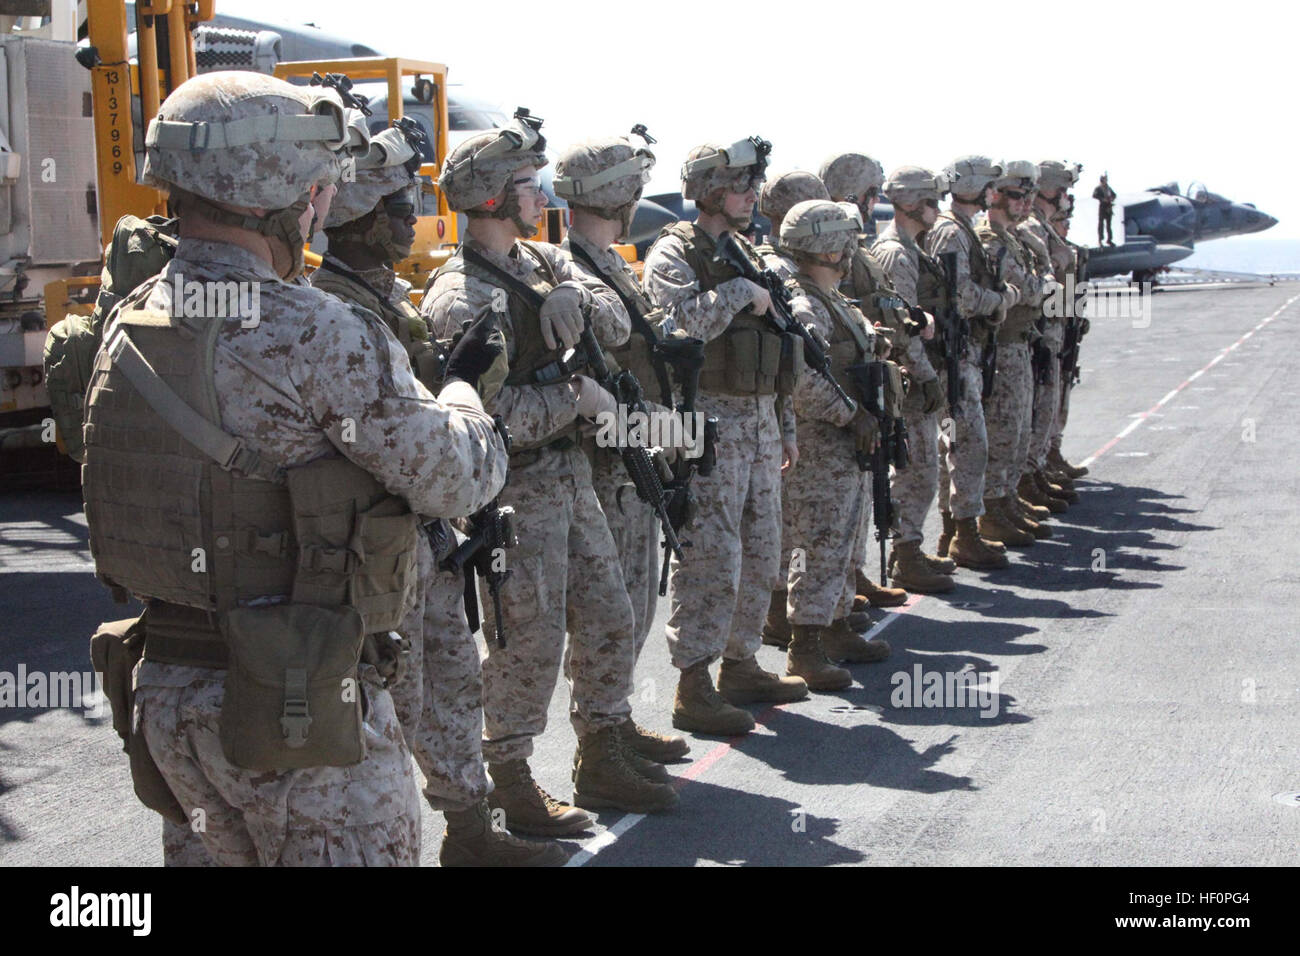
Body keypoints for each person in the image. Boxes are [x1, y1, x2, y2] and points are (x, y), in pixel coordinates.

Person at [83, 71, 510, 866]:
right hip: (294, 704)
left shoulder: (126, 323)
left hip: (168, 690)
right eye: (319, 188)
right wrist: (462, 394)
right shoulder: (317, 330)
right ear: (291, 192)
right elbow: (459, 478)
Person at [310, 122, 560, 866]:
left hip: (427, 537)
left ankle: (471, 831)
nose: (408, 223)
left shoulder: (385, 294)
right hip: (379, 541)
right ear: (353, 218)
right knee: (398, 705)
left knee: (452, 684)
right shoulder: (334, 306)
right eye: (394, 210)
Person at [422, 112, 679, 830]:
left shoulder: (539, 263)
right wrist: (576, 397)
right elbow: (486, 414)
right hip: (516, 489)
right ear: (490, 198)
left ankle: (603, 745)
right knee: (525, 641)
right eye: (526, 187)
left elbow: (620, 324)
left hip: (568, 479)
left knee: (609, 612)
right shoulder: (462, 297)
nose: (540, 198)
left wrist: (575, 293)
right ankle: (509, 775)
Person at [644, 137, 809, 737]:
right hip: (709, 423)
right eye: (740, 186)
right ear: (710, 191)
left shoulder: (744, 249)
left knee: (762, 549)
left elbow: (782, 343)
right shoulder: (675, 251)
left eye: (753, 186)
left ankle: (740, 663)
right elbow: (675, 324)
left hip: (759, 422)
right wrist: (741, 292)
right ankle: (693, 683)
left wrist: (784, 424)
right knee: (711, 554)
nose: (751, 196)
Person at [551, 130, 692, 766]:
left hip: (630, 454)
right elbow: (583, 386)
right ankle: (598, 745)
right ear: (622, 197)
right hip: (605, 461)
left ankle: (615, 722)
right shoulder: (574, 271)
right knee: (607, 615)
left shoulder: (607, 263)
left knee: (634, 600)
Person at [779, 199, 892, 686]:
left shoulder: (832, 298)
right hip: (821, 447)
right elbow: (802, 383)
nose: (852, 249)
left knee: (844, 540)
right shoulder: (805, 303)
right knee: (817, 545)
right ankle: (805, 647)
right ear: (825, 246)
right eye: (844, 241)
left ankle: (838, 625)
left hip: (845, 448)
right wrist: (852, 416)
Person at [818, 152, 910, 609]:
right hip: (841, 389)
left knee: (857, 495)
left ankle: (852, 577)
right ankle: (836, 594)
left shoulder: (856, 248)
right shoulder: (827, 250)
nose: (875, 204)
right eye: (870, 195)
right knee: (829, 513)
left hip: (864, 382)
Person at [927, 155, 1021, 567]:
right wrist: (1001, 301)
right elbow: (962, 297)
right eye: (988, 185)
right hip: (954, 355)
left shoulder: (959, 230)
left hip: (964, 352)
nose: (992, 193)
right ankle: (964, 533)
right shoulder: (952, 233)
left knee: (960, 445)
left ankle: (956, 531)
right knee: (969, 446)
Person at [871, 167, 955, 593]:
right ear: (910, 204)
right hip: (909, 379)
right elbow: (900, 327)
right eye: (931, 202)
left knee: (923, 467)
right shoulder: (896, 255)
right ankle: (904, 555)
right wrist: (926, 378)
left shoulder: (911, 249)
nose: (937, 210)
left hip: (917, 375)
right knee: (915, 468)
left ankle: (911, 549)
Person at [976, 161, 1054, 547]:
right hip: (1002, 348)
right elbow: (1029, 289)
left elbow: (1037, 285)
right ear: (995, 195)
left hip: (1019, 343)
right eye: (1018, 195)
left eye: (1029, 196)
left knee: (1018, 430)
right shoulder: (991, 240)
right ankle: (992, 511)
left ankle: (1006, 500)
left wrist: (1043, 284)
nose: (1026, 203)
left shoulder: (1014, 239)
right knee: (1003, 431)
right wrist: (1044, 285)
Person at [1048, 193, 1091, 479]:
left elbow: (1073, 296)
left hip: (1065, 330)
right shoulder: (1053, 250)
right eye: (1062, 221)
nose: (1067, 227)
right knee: (1048, 401)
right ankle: (1045, 460)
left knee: (1061, 395)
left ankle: (1053, 452)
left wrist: (1076, 318)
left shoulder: (1070, 252)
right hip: (1052, 331)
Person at [1093, 173, 1117, 246]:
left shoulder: (1108, 188)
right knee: (1101, 224)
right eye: (1105, 179)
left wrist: (1111, 199)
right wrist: (1102, 199)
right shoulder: (1098, 188)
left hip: (1108, 207)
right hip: (1102, 207)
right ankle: (1100, 239)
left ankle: (1109, 239)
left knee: (1109, 225)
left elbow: (1114, 195)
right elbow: (1094, 195)